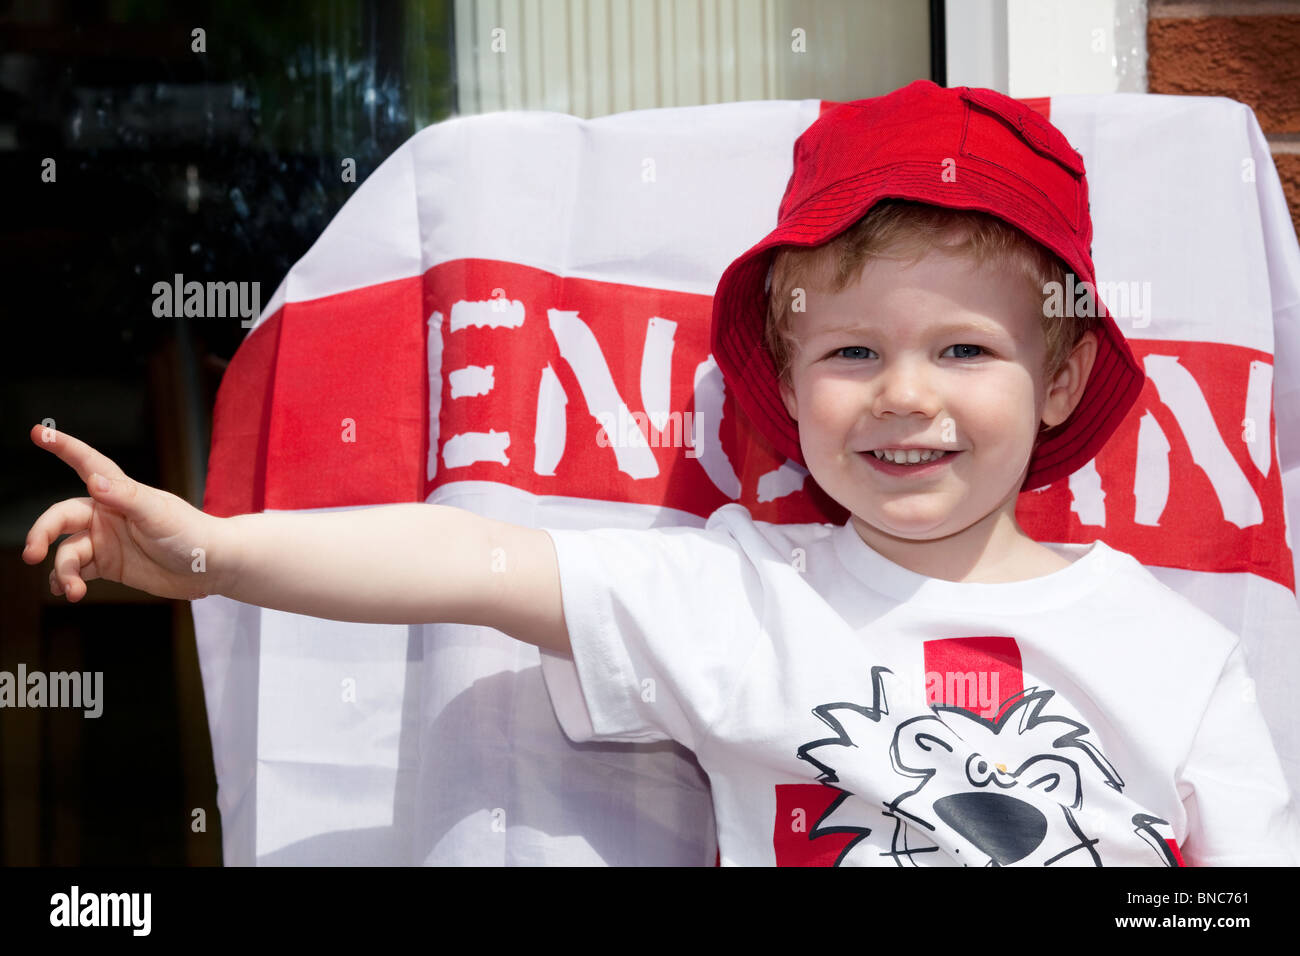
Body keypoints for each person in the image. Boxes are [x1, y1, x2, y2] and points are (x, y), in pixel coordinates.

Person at [24, 80, 1299, 866]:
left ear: (1062, 380)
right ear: (788, 385)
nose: (905, 393)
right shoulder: (737, 595)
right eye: (853, 349)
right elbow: (475, 559)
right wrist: (218, 552)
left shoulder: (1175, 652)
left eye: (963, 348)